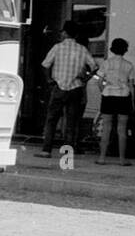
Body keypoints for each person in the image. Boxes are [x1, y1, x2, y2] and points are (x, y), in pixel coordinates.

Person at [36, 19, 97, 158]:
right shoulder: (82, 49)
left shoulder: (57, 47)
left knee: (52, 119)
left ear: (65, 33)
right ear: (75, 35)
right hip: (75, 88)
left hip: (59, 87)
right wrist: (85, 79)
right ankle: (67, 155)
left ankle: (46, 150)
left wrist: (49, 80)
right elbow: (94, 67)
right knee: (71, 122)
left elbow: (45, 65)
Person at [95, 38, 135, 166]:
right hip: (123, 96)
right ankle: (122, 159)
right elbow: (132, 86)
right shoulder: (129, 65)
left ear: (112, 49)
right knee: (122, 129)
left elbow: (99, 81)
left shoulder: (106, 63)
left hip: (108, 95)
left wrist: (104, 90)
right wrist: (132, 101)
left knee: (106, 128)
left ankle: (102, 158)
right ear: (125, 50)